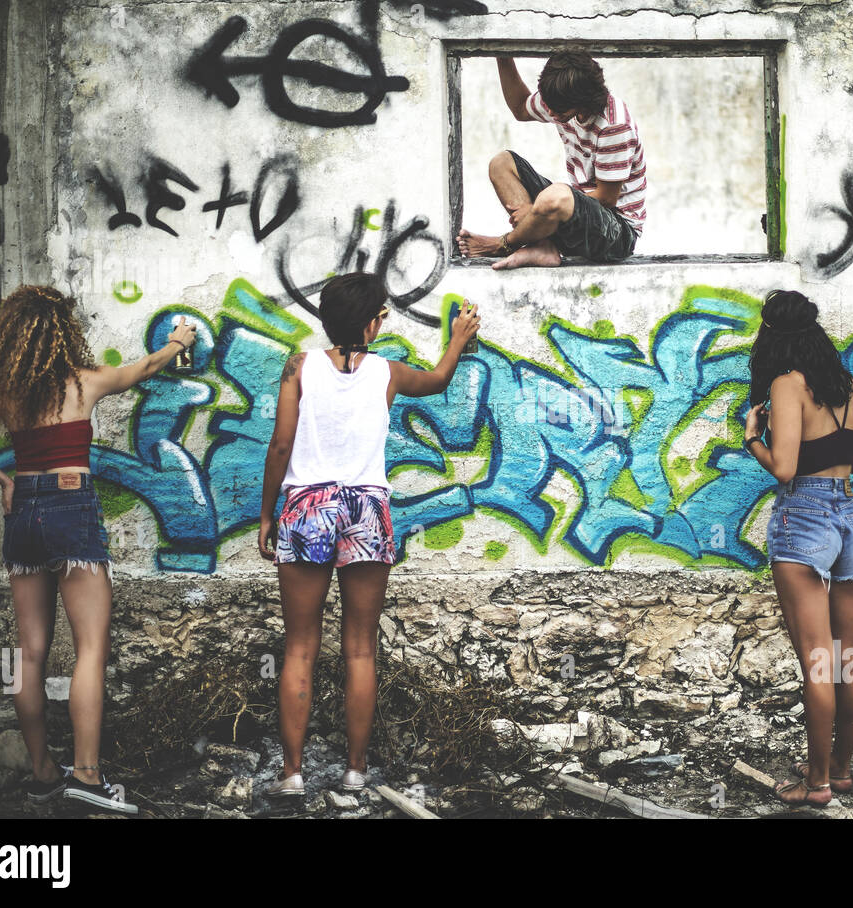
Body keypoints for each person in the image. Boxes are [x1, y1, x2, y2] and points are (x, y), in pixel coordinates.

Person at [0, 285, 199, 815]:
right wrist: (179, 341)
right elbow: (144, 368)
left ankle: (41, 773)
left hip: (24, 512)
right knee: (89, 651)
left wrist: (2, 478)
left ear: (10, 336)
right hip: (70, 507)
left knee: (30, 652)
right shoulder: (83, 381)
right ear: (62, 331)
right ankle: (86, 776)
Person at [257, 272, 480, 797]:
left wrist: (268, 515)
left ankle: (292, 774)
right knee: (359, 648)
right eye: (381, 314)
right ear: (369, 322)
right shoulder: (389, 372)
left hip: (307, 504)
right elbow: (440, 380)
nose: (383, 320)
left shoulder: (299, 367)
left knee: (299, 648)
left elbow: (280, 446)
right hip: (366, 506)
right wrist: (458, 338)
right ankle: (355, 771)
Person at [741, 289, 853, 807]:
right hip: (846, 515)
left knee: (817, 662)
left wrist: (753, 436)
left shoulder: (786, 385)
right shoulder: (849, 386)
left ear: (772, 336)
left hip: (804, 516)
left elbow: (785, 468)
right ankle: (839, 769)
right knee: (845, 657)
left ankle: (815, 784)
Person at [457, 52, 646, 269]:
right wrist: (503, 55)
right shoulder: (558, 98)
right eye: (547, 104)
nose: (549, 112)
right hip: (574, 213)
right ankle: (542, 245)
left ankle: (503, 244)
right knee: (502, 164)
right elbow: (520, 108)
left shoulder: (614, 126)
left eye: (556, 110)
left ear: (583, 102)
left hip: (616, 232)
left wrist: (536, 213)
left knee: (556, 196)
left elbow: (606, 199)